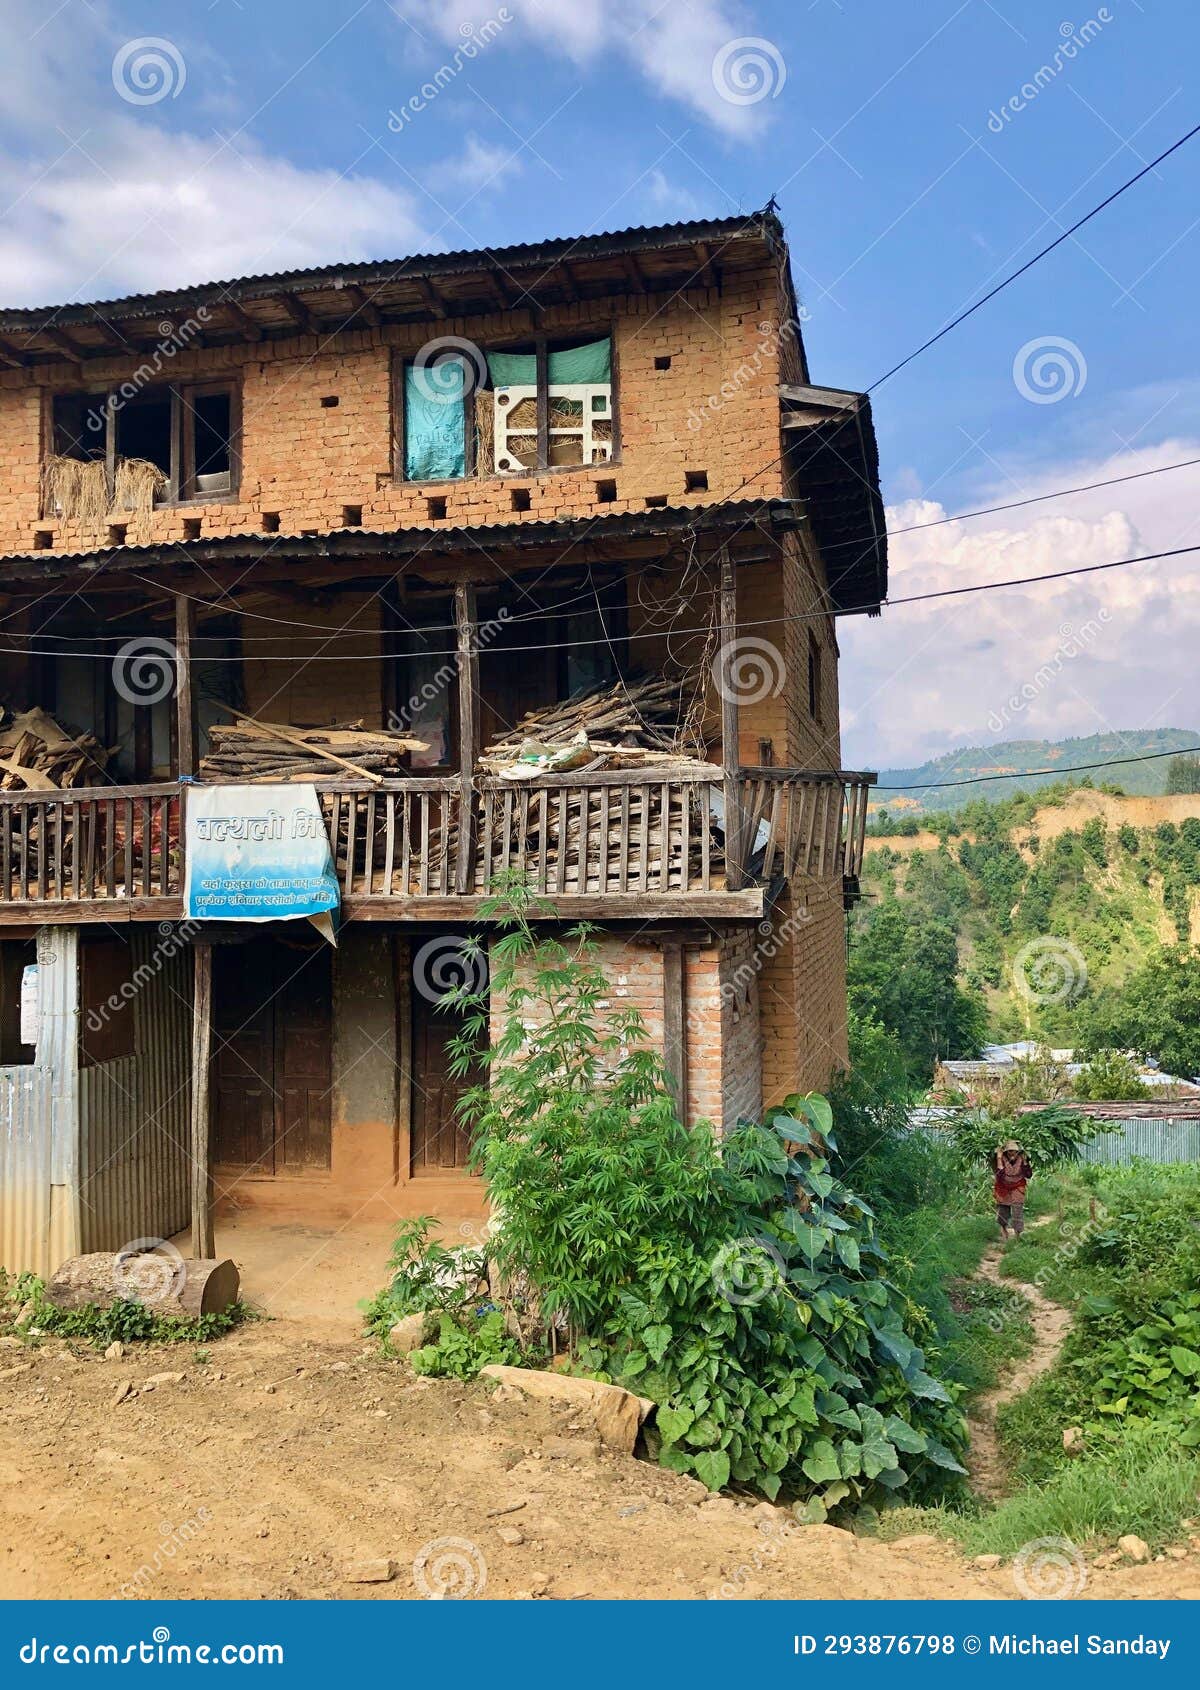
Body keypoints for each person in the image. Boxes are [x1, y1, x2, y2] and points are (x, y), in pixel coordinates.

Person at [992, 1139, 1032, 1239]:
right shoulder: (1001, 1158)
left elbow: (1028, 1175)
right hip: (1003, 1186)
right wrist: (999, 1159)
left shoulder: (1022, 1159)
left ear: (1017, 1151)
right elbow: (999, 1176)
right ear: (1006, 1152)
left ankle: (1018, 1233)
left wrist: (1026, 1162)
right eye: (1009, 1151)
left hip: (1018, 1186)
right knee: (1003, 1209)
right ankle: (1003, 1228)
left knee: (1017, 1208)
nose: (1012, 1153)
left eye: (1014, 1151)